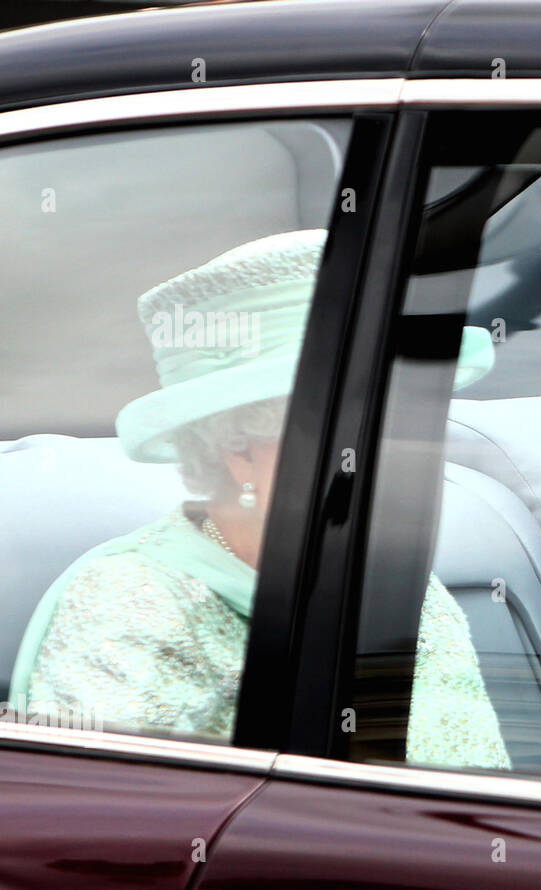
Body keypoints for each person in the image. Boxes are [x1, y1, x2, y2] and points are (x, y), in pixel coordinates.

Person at [9, 229, 508, 771]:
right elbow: (105, 834)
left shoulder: (411, 589)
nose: (408, 457)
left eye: (409, 423)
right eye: (361, 435)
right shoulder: (130, 606)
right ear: (239, 450)